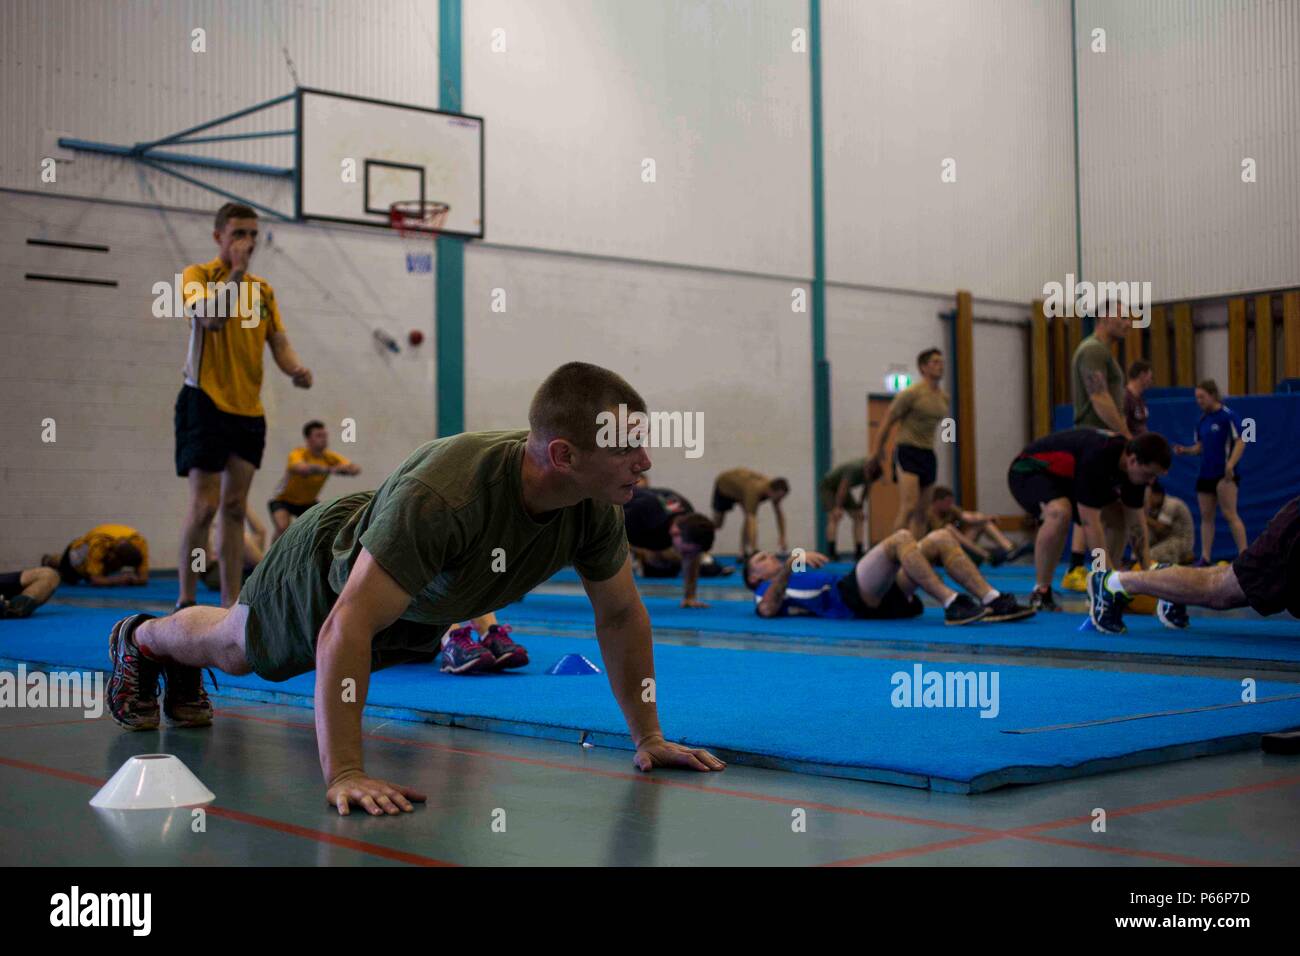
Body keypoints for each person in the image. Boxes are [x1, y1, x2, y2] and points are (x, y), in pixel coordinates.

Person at [105, 362, 724, 816]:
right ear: (563, 454)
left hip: (425, 602)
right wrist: (346, 772)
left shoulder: (596, 504)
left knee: (277, 646)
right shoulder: (446, 495)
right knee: (241, 650)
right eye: (626, 448)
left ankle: (174, 660)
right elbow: (345, 623)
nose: (644, 462)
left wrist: (649, 738)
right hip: (329, 569)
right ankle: (144, 640)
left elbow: (619, 617)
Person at [174, 202, 313, 611]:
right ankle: (185, 599)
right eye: (238, 234)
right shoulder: (197, 277)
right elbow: (212, 319)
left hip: (248, 412)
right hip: (205, 401)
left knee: (234, 508)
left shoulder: (263, 291)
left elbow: (279, 343)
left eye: (253, 234)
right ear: (219, 237)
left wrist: (295, 370)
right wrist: (234, 272)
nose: (248, 242)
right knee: (204, 507)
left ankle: (231, 604)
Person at [1008, 429, 1170, 611]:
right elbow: (1091, 526)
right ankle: (1042, 591)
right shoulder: (1097, 457)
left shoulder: (1135, 471)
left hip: (1067, 479)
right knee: (1060, 512)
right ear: (1132, 460)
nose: (1150, 482)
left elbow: (1136, 526)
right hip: (1028, 470)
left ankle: (1103, 587)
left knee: (1118, 514)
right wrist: (1105, 573)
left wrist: (1148, 572)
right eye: (1149, 475)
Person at [1088, 495, 1300, 633]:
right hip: (1294, 529)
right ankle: (1115, 583)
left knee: (1226, 581)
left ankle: (1167, 579)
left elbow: (1157, 530)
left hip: (1179, 545)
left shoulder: (1170, 505)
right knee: (1222, 589)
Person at [743, 528, 1033, 625]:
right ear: (754, 578)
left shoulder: (786, 575)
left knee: (941, 536)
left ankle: (992, 599)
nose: (769, 557)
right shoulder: (765, 588)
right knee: (901, 538)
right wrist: (792, 561)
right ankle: (951, 603)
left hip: (879, 592)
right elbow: (767, 609)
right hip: (851, 597)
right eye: (761, 559)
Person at [1062, 299, 1132, 592]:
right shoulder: (1092, 350)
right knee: (1094, 516)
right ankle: (1102, 576)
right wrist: (1127, 436)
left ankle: (1108, 574)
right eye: (1123, 316)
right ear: (1103, 317)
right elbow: (1099, 398)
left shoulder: (1102, 352)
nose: (1129, 323)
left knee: (1117, 515)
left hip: (1104, 441)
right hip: (1097, 442)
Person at [870, 349, 949, 539]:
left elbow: (947, 426)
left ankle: (917, 556)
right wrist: (876, 452)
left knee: (922, 513)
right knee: (910, 506)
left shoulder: (944, 398)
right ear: (923, 367)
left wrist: (951, 440)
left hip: (928, 454)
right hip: (908, 450)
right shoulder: (911, 394)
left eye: (941, 362)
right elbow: (887, 421)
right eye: (935, 362)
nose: (940, 365)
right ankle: (893, 554)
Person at [1173, 379, 1248, 564]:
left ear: (1212, 395)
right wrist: (1186, 450)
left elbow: (1241, 441)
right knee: (1206, 517)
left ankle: (1245, 555)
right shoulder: (1202, 421)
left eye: (1202, 397)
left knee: (1230, 514)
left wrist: (1230, 464)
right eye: (1196, 398)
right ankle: (1205, 557)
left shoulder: (1228, 416)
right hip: (1206, 474)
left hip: (1224, 476)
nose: (1199, 401)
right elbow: (1200, 447)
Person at [624, 485, 724, 608]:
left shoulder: (689, 517)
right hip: (607, 508)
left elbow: (692, 559)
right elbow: (610, 543)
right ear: (675, 532)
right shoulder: (641, 514)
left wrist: (690, 597)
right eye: (686, 551)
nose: (688, 556)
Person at [269, 420, 361, 541]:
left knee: (322, 529)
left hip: (308, 503)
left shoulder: (330, 457)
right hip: (284, 500)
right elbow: (302, 468)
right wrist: (331, 469)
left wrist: (346, 470)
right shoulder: (298, 453)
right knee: (282, 527)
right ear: (308, 439)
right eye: (318, 436)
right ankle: (271, 557)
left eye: (325, 436)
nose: (323, 439)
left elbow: (355, 469)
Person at [926, 486, 1028, 566]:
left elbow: (969, 517)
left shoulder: (950, 508)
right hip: (939, 552)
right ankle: (986, 556)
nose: (950, 505)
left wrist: (988, 518)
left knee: (981, 520)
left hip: (958, 545)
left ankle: (1009, 549)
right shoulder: (929, 514)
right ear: (937, 502)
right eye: (947, 502)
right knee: (949, 529)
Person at [710, 468, 789, 556]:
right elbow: (752, 519)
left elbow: (779, 514)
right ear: (771, 491)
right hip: (724, 486)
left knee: (748, 518)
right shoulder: (755, 491)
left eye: (782, 498)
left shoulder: (772, 490)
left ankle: (742, 552)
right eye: (778, 497)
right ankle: (701, 532)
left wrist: (782, 537)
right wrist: (755, 549)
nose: (779, 500)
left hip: (741, 489)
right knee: (718, 524)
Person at [41, 524, 149, 587]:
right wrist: (118, 580)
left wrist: (136, 579)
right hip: (75, 557)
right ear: (114, 556)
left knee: (103, 571)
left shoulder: (140, 542)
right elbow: (95, 580)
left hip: (102, 553)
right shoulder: (99, 545)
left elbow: (143, 577)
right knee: (68, 576)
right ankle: (50, 560)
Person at [819, 457, 883, 561]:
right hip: (828, 487)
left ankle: (858, 552)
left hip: (842, 490)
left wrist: (860, 507)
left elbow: (866, 489)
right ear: (867, 470)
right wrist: (837, 508)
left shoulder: (870, 474)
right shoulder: (854, 469)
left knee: (859, 517)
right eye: (868, 477)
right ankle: (831, 552)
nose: (867, 480)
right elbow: (842, 489)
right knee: (834, 517)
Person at [1144, 481, 1195, 566]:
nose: (1145, 500)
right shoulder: (1153, 507)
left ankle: (1182, 556)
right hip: (1165, 539)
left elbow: (1161, 528)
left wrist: (1141, 516)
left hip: (1180, 539)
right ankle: (1181, 557)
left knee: (1149, 556)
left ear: (1157, 495)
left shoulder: (1171, 504)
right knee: (1139, 552)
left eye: (1148, 497)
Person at [1124, 359, 1154, 437]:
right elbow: (1121, 426)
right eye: (1150, 377)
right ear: (1142, 375)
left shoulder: (1140, 399)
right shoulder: (1126, 398)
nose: (1151, 381)